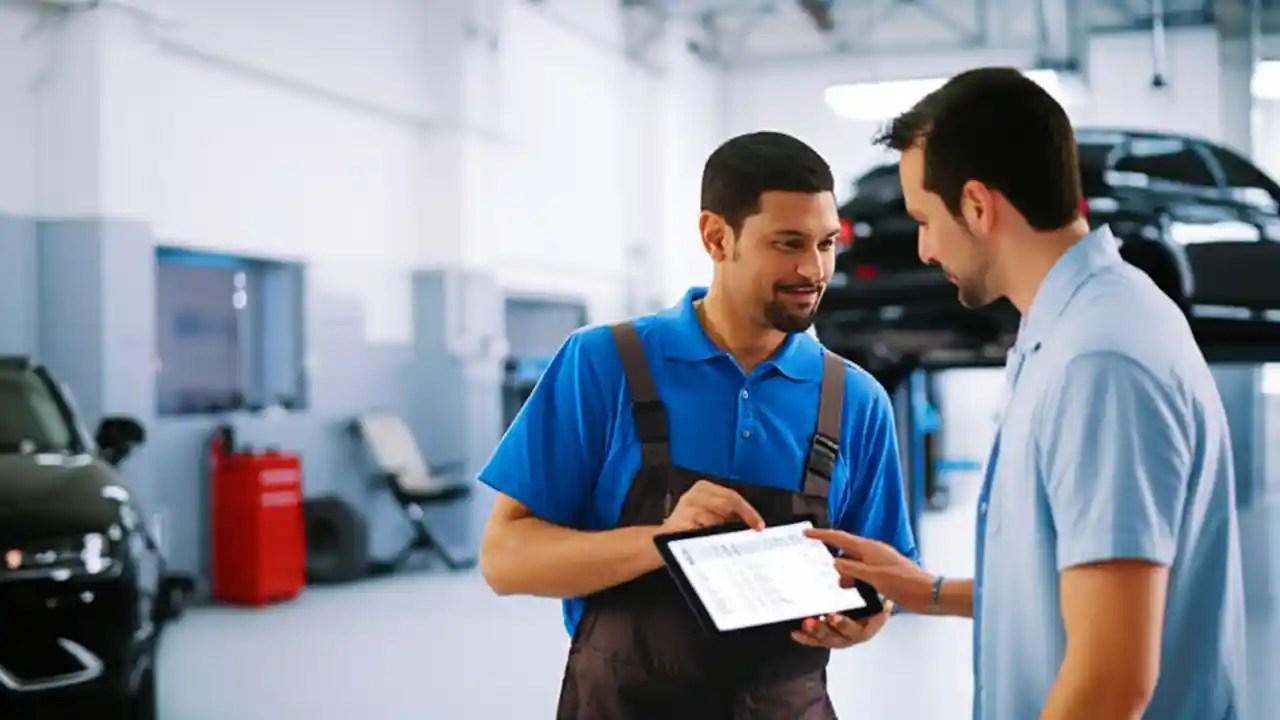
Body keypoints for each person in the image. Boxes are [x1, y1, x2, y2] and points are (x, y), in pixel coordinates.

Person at [807, 67, 1248, 719]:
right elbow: (1079, 585)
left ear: (978, 206)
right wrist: (927, 590)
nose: (924, 248)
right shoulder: (1072, 329)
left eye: (925, 220)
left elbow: (1111, 679)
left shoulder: (1097, 361)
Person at [477, 130, 919, 719]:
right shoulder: (604, 365)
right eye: (787, 243)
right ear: (716, 236)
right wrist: (662, 542)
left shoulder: (856, 401)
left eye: (826, 243)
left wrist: (867, 616)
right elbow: (505, 560)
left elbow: (885, 576)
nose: (813, 269)